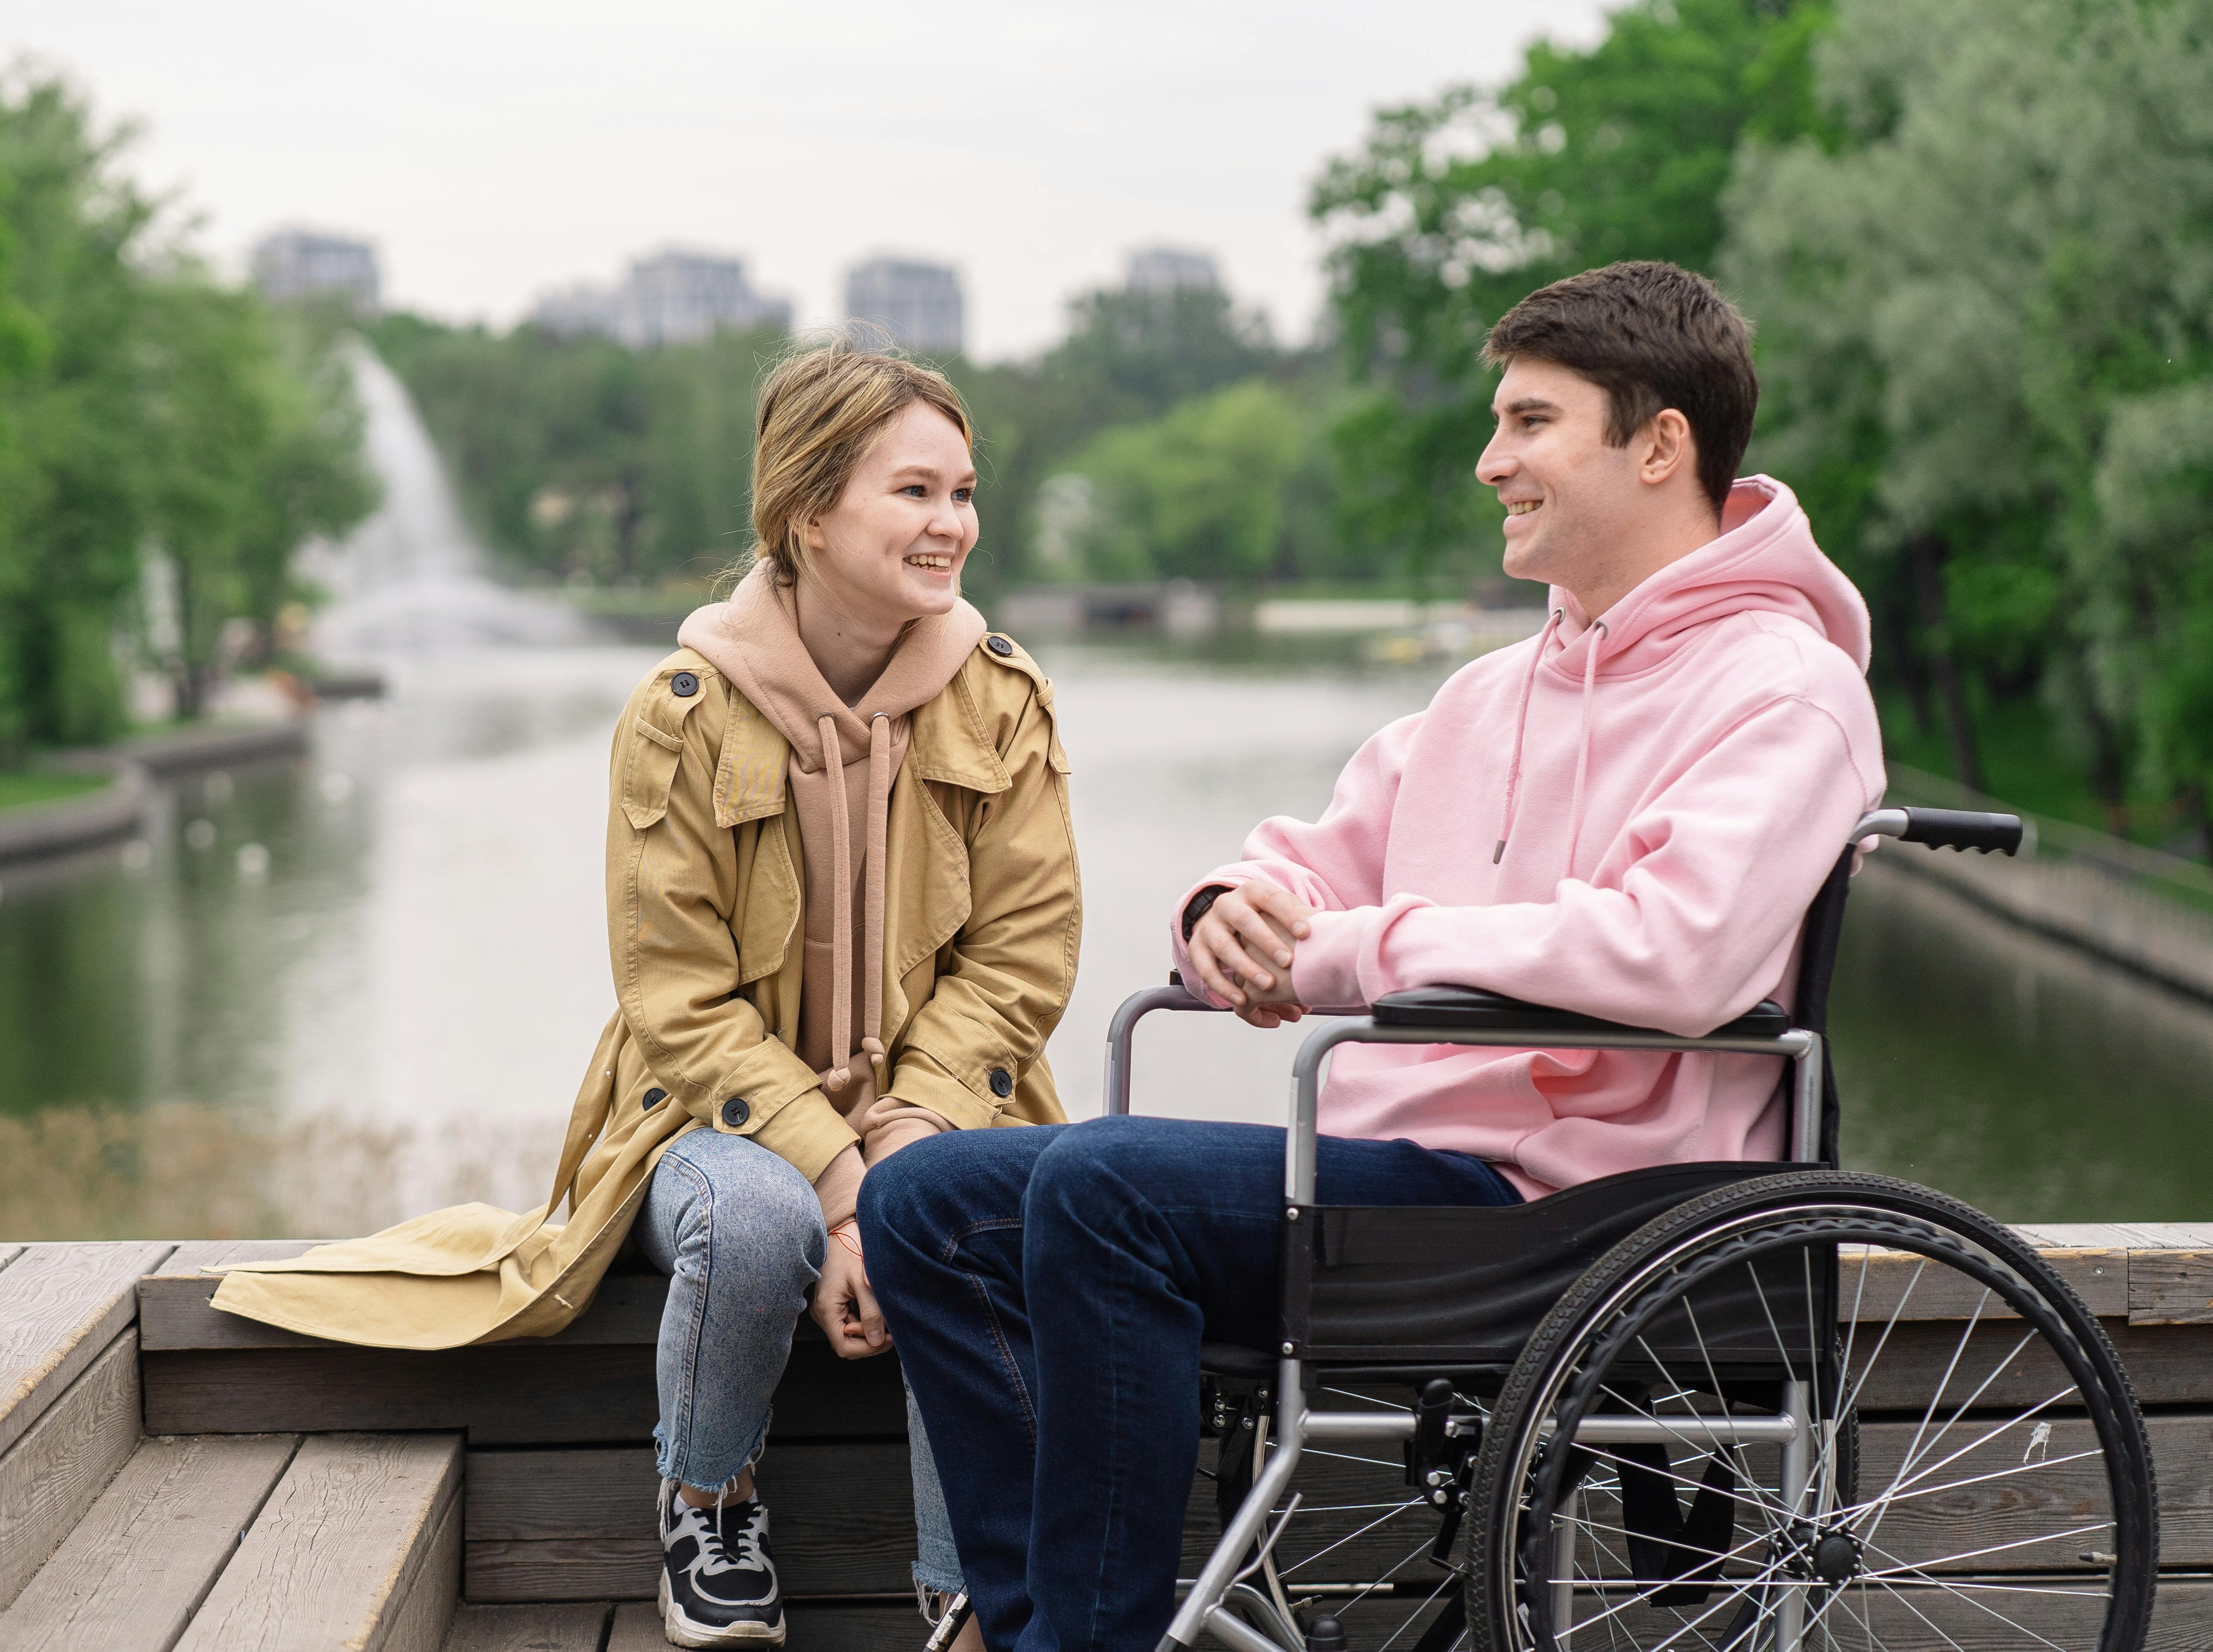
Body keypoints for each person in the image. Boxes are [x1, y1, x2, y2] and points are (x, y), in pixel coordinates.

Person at [858, 262, 1885, 1651]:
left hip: (1581, 1212)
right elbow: (1319, 858)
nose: (1489, 460)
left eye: (1530, 422)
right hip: (1400, 1182)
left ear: (1659, 445)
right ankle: (1037, 1616)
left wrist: (1349, 955)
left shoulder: (1785, 689)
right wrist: (1233, 905)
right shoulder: (1488, 693)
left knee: (1106, 1186)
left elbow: (1675, 958)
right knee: (927, 1196)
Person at [209, 344, 1081, 1649]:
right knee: (747, 1219)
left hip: (941, 1115)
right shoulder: (682, 711)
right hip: (709, 1120)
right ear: (810, 512)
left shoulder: (1001, 701)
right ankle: (706, 1494)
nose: (951, 523)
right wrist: (843, 1186)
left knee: (966, 1222)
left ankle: (970, 1587)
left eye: (963, 492)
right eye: (914, 492)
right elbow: (677, 997)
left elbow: (1019, 961)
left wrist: (893, 1161)